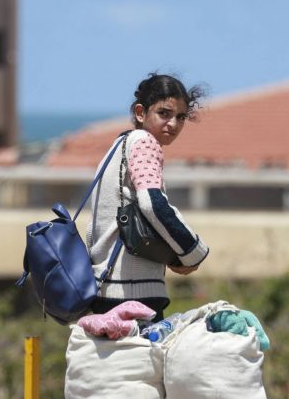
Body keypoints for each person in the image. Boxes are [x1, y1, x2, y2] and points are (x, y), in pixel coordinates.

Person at [85, 73, 209, 320]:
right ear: (141, 113)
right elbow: (152, 203)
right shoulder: (144, 142)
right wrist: (192, 252)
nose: (173, 124)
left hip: (103, 289)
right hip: (133, 295)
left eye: (180, 117)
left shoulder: (118, 146)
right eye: (164, 113)